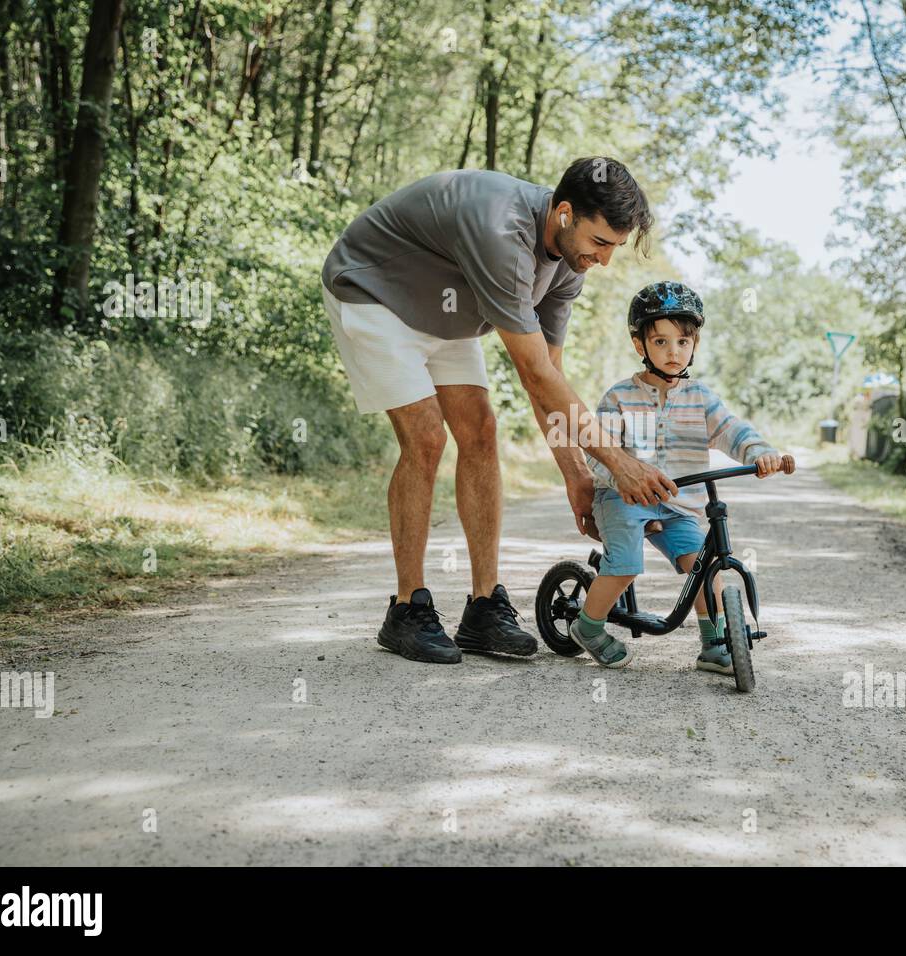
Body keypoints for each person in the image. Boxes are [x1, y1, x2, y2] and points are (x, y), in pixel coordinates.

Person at [320, 158, 677, 665]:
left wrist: (577, 475)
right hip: (373, 291)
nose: (605, 260)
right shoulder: (500, 229)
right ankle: (406, 609)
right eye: (600, 243)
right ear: (565, 213)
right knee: (426, 438)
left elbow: (548, 380)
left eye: (614, 248)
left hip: (446, 313)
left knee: (482, 432)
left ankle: (483, 608)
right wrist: (619, 464)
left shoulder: (568, 265)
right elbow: (534, 375)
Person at [573, 281, 794, 673]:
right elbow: (600, 455)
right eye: (660, 341)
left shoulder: (701, 398)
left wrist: (760, 453)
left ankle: (713, 643)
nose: (673, 352)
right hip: (621, 497)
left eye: (682, 341)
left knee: (704, 564)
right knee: (625, 564)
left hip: (678, 502)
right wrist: (618, 476)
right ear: (640, 346)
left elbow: (731, 429)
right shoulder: (619, 397)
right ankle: (588, 627)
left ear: (694, 344)